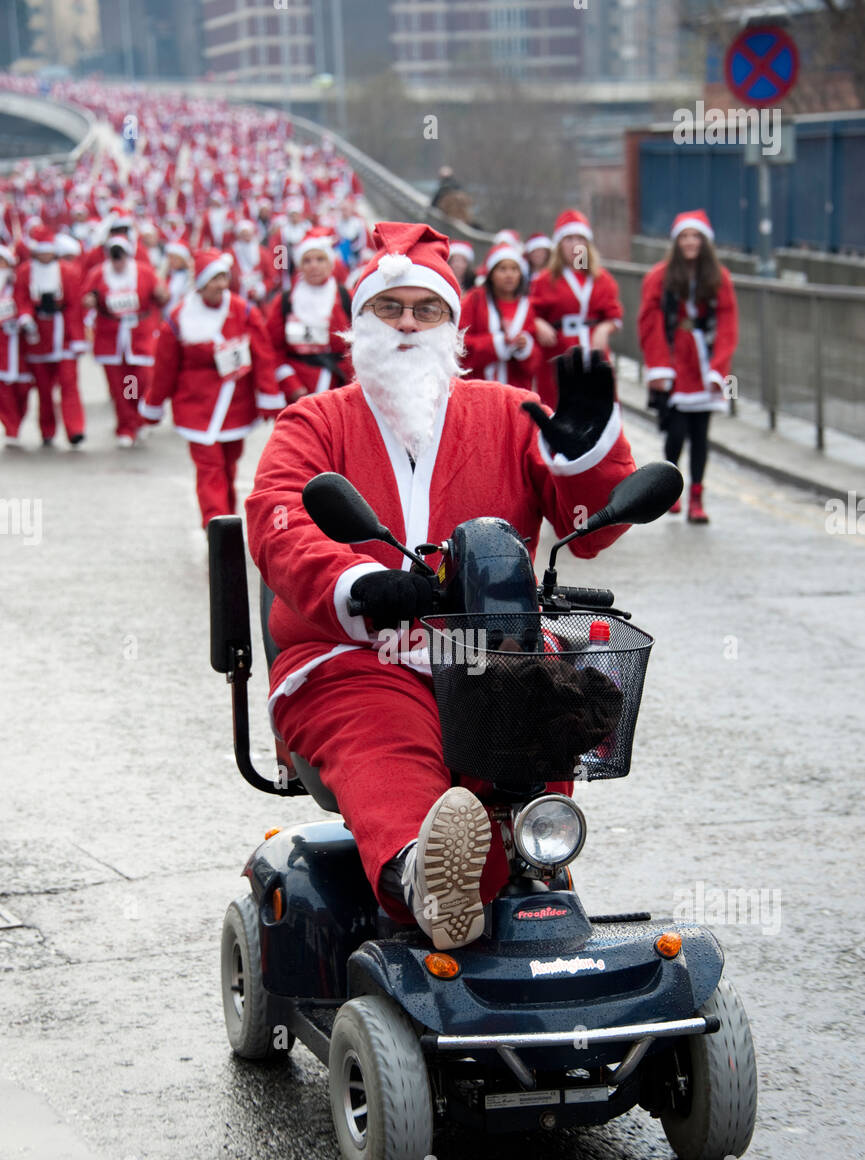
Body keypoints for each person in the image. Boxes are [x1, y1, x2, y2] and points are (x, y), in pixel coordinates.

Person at [245, 222, 636, 950]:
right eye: (386, 308)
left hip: (491, 650)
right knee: (385, 740)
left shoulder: (510, 411)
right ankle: (420, 874)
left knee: (545, 707)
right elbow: (277, 520)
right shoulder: (314, 421)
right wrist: (358, 583)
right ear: (356, 322)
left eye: (425, 310)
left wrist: (591, 453)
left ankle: (525, 861)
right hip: (354, 652)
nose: (405, 324)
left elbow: (591, 526)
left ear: (452, 327)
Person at [139, 249, 285, 527]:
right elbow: (165, 367)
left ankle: (226, 519)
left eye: (223, 278)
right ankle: (215, 522)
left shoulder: (243, 311)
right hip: (195, 407)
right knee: (209, 468)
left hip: (236, 406)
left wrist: (268, 394)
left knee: (229, 465)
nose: (220, 285)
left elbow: (263, 355)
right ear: (201, 283)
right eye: (214, 279)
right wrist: (154, 403)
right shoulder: (179, 318)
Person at [637, 209, 738, 524]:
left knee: (700, 433)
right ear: (676, 241)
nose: (691, 242)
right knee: (676, 431)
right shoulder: (660, 276)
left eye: (696, 237)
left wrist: (719, 369)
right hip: (675, 359)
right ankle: (672, 491)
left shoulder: (719, 277)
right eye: (685, 237)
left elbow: (727, 323)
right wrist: (658, 367)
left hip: (703, 362)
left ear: (705, 242)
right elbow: (649, 323)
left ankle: (697, 496)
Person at [530, 209, 623, 409]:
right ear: (559, 245)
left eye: (579, 239)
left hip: (593, 351)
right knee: (559, 410)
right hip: (559, 352)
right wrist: (538, 324)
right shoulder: (545, 280)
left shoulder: (601, 278)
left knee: (599, 410)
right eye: (569, 239)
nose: (575, 245)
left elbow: (613, 314)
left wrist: (604, 328)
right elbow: (530, 312)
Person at [81, 234, 166, 447]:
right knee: (119, 387)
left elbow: (161, 296)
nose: (117, 260)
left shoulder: (144, 272)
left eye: (121, 255)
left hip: (139, 336)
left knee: (139, 382)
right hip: (111, 338)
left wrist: (161, 293)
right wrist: (90, 300)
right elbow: (86, 297)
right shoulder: (98, 274)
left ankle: (138, 418)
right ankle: (126, 426)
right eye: (113, 255)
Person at [14, 223, 86, 448]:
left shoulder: (67, 271)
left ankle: (75, 428)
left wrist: (77, 338)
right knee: (44, 390)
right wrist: (25, 317)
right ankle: (47, 430)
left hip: (62, 333)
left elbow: (75, 306)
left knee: (69, 384)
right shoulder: (25, 272)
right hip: (37, 337)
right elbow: (21, 299)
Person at [264, 227, 352, 400]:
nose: (314, 266)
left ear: (330, 263)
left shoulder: (346, 297)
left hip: (339, 388)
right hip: (298, 392)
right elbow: (272, 349)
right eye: (307, 261)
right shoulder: (285, 301)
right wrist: (291, 383)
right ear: (299, 266)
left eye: (320, 259)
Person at [459, 242, 540, 390]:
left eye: (514, 269)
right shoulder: (475, 300)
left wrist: (525, 348)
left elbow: (536, 359)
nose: (509, 274)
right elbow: (459, 343)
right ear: (491, 274)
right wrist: (495, 344)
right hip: (479, 386)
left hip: (516, 389)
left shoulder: (527, 306)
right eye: (502, 269)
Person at [0, 245, 32, 449]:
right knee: (2, 391)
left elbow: (26, 304)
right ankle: (10, 427)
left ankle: (17, 421)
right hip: (0, 347)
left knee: (22, 388)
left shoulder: (19, 285)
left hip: (20, 345)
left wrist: (25, 319)